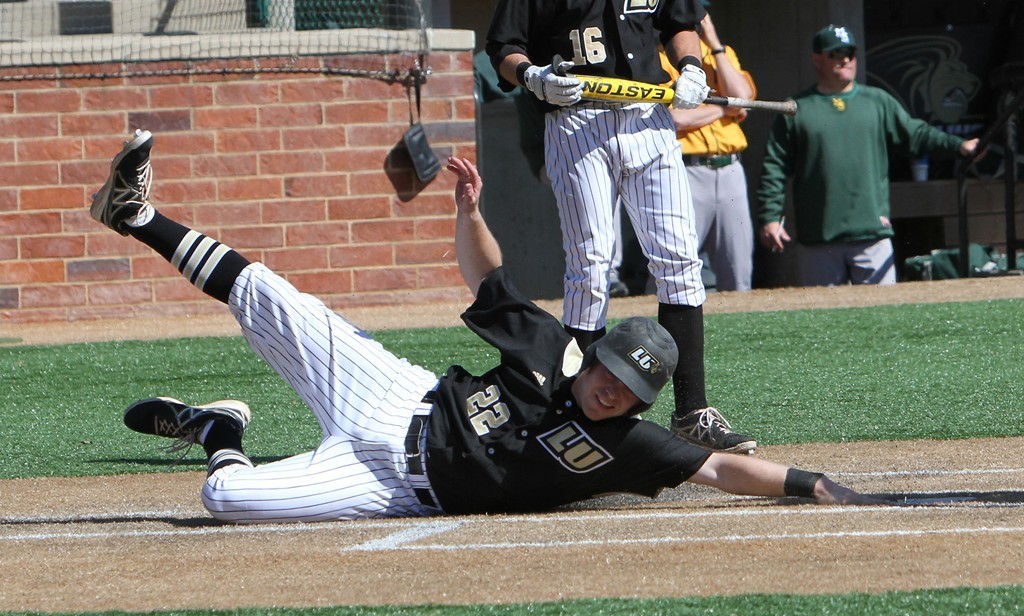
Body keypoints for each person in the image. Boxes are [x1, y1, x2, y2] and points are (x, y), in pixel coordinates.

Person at [90, 130, 874, 523]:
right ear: (597, 354)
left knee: (229, 499)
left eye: (629, 392)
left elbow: (723, 471)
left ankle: (215, 424)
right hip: (403, 400)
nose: (610, 391)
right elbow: (485, 278)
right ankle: (138, 215)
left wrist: (812, 485)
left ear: (641, 405)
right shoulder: (557, 347)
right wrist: (471, 213)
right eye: (611, 373)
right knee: (270, 295)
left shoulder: (626, 441)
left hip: (395, 486)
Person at [486, 0, 756, 453]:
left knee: (679, 261)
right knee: (590, 268)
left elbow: (680, 22)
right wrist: (533, 76)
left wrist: (690, 67)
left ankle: (692, 412)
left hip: (649, 117)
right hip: (576, 120)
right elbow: (503, 48)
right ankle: (573, 415)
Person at [756, 24, 981, 287]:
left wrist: (958, 145)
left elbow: (916, 134)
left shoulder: (878, 101)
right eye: (835, 53)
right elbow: (774, 167)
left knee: (882, 321)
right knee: (822, 323)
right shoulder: (797, 108)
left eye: (850, 53)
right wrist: (770, 217)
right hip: (819, 239)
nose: (845, 59)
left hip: (872, 234)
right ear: (817, 59)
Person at [660, 8, 756, 292]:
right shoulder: (660, 57)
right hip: (687, 170)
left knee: (739, 273)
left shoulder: (720, 54)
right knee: (675, 268)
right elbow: (675, 118)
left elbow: (741, 99)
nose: (694, 18)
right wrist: (726, 109)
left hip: (730, 170)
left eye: (699, 12)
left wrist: (716, 45)